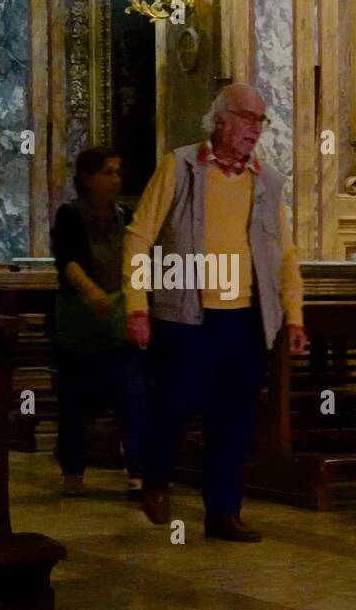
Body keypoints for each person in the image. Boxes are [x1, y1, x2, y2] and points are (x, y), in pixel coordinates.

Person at [123, 83, 308, 542]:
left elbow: (285, 254)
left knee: (237, 417)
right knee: (172, 404)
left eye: (261, 120)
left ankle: (223, 511)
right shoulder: (181, 165)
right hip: (187, 310)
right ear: (220, 119)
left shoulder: (267, 181)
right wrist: (136, 305)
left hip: (245, 316)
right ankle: (157, 480)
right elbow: (140, 235)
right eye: (247, 117)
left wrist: (295, 314)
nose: (255, 128)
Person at [49, 146, 148, 498]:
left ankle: (138, 471)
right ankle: (73, 468)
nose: (114, 180)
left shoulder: (127, 217)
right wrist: (92, 293)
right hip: (81, 322)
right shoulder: (70, 215)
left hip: (119, 321)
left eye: (118, 172)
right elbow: (69, 261)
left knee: (133, 392)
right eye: (106, 172)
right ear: (86, 179)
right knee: (75, 399)